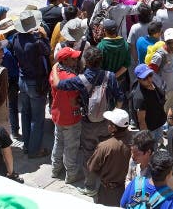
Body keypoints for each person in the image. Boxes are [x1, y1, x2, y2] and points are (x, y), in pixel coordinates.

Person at [53, 47, 124, 197]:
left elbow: (58, 84)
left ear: (86, 61)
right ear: (101, 61)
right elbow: (120, 98)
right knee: (107, 151)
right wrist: (114, 118)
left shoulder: (80, 79)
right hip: (107, 122)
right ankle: (107, 181)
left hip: (88, 124)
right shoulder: (110, 76)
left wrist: (54, 67)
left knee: (88, 154)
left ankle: (90, 186)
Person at [11, 9, 51, 158]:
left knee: (26, 114)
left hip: (23, 80)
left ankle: (27, 145)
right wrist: (44, 36)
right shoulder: (36, 42)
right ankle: (34, 150)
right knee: (37, 117)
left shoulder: (15, 38)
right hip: (35, 82)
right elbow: (47, 51)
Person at [49, 46, 84, 184]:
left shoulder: (54, 73)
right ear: (66, 60)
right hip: (70, 117)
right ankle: (71, 174)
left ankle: (55, 169)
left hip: (57, 114)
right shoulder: (72, 78)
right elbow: (74, 101)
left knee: (58, 142)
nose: (76, 60)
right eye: (73, 58)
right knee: (71, 146)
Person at [88, 108, 133, 206]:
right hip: (129, 189)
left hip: (108, 193)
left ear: (113, 128)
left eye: (109, 123)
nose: (107, 124)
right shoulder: (134, 141)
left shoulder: (104, 146)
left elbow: (92, 167)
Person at [148, 28, 173, 113]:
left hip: (172, 89)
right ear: (165, 42)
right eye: (169, 42)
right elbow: (150, 73)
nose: (172, 45)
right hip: (162, 92)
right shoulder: (159, 56)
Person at [133, 63, 166, 143]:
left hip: (159, 123)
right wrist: (146, 138)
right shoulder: (139, 98)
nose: (149, 79)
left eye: (150, 75)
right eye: (144, 78)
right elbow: (141, 120)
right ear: (139, 79)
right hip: (151, 130)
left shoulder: (152, 84)